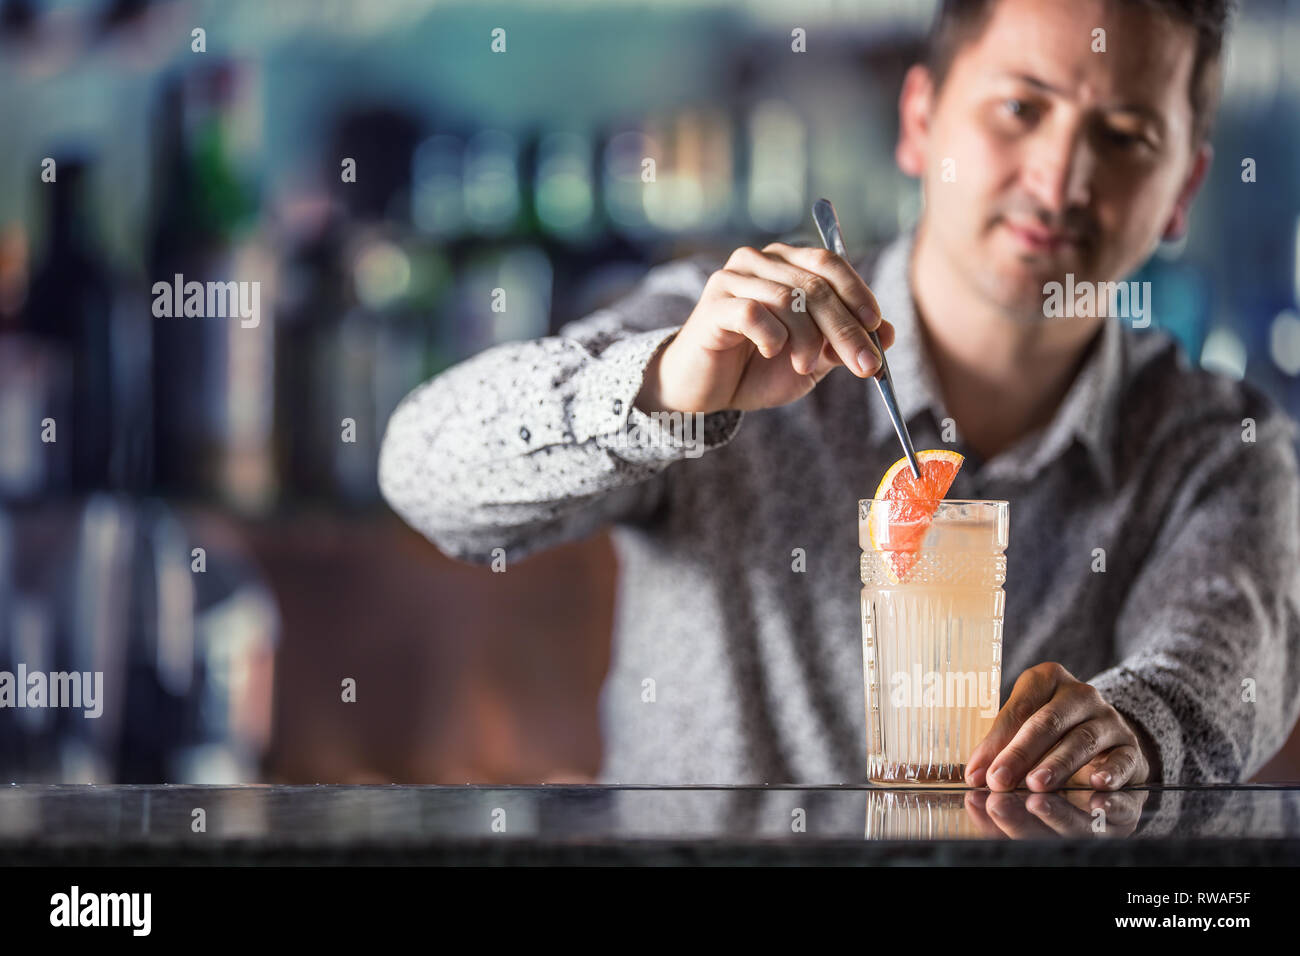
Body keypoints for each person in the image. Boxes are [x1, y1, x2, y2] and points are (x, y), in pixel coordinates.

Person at [378, 0, 1300, 790]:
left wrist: (1129, 731)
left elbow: (1224, 669)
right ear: (920, 124)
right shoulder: (716, 332)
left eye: (1124, 137)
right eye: (1021, 107)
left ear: (1182, 189)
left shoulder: (1216, 445)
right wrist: (658, 388)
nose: (1060, 179)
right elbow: (422, 471)